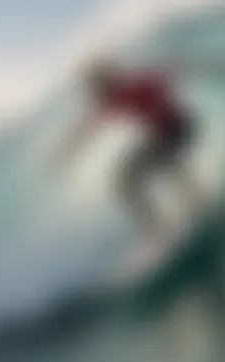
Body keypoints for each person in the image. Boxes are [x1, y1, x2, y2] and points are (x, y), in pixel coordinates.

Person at [51, 56, 207, 245]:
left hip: (179, 127)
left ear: (108, 81)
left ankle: (196, 204)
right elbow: (86, 128)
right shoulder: (111, 100)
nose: (95, 93)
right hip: (159, 137)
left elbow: (175, 69)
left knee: (169, 162)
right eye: (93, 89)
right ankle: (160, 228)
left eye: (97, 86)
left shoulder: (137, 84)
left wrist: (213, 66)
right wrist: (65, 152)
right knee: (124, 181)